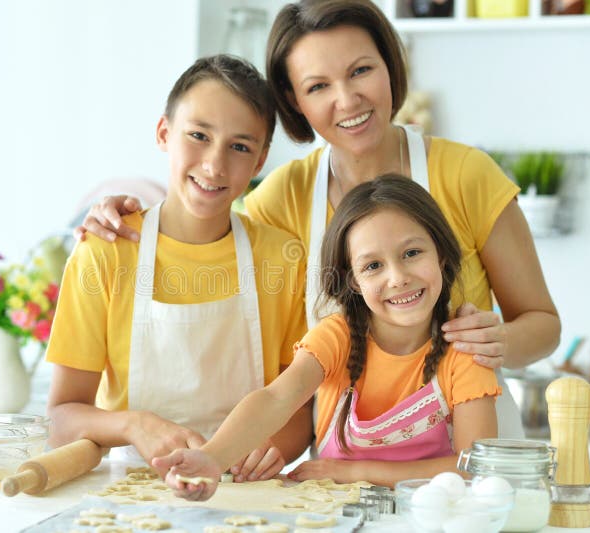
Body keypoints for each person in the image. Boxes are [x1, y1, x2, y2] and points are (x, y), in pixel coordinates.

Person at [77, 0, 560, 440]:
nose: (347, 100)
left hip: (475, 464)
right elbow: (203, 222)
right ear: (294, 102)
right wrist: (121, 213)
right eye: (318, 86)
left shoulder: (466, 174)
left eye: (361, 70)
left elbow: (543, 324)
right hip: (345, 471)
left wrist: (499, 341)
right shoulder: (281, 198)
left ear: (390, 67)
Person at [153, 175, 500, 499]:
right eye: (373, 266)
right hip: (332, 511)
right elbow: (276, 399)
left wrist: (353, 472)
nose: (398, 277)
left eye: (412, 253)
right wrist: (212, 458)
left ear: (441, 255)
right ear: (353, 281)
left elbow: (473, 468)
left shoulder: (466, 349)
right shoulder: (337, 337)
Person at [45, 55, 309, 480]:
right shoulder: (106, 252)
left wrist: (266, 447)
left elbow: (299, 406)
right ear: (164, 133)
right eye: (199, 135)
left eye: (240, 147)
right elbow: (60, 419)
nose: (214, 164)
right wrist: (135, 425)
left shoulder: (283, 258)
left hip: (244, 488)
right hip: (131, 490)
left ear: (260, 162)